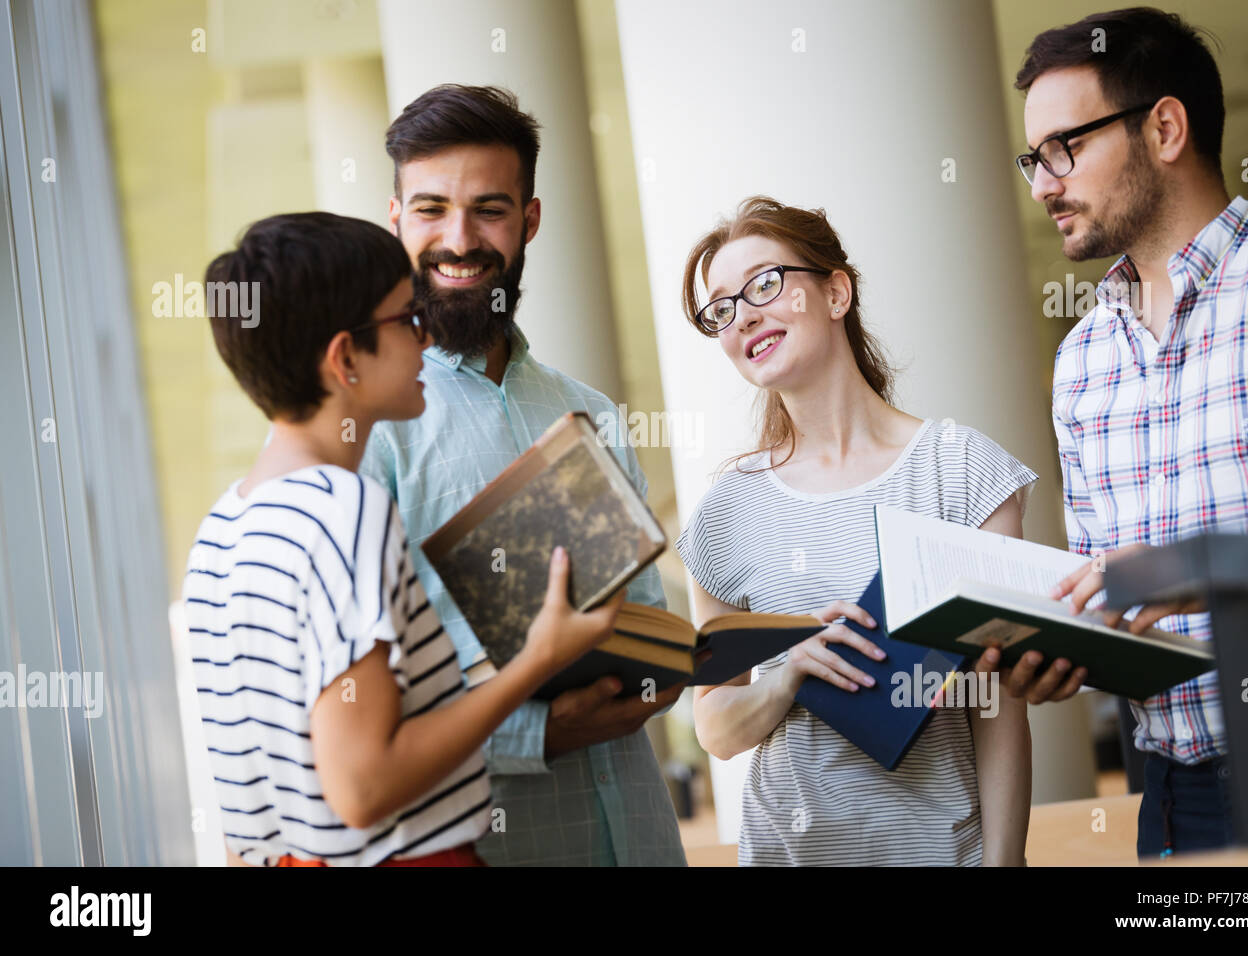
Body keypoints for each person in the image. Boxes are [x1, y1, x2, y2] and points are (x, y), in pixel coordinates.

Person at [185, 212, 622, 866]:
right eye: (406, 320)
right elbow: (363, 787)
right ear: (344, 359)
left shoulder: (221, 530)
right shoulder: (346, 512)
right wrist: (536, 658)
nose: (426, 340)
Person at [991, 7, 1248, 856]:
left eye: (1065, 149)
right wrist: (1067, 648)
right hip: (1170, 804)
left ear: (1164, 127)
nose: (1044, 183)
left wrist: (1196, 575)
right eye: (1032, 160)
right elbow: (1118, 601)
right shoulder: (1083, 358)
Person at [360, 84, 686, 866]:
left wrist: (669, 671)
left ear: (529, 221)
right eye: (432, 209)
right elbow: (368, 715)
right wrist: (539, 728)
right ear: (396, 218)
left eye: (490, 210)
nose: (459, 238)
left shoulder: (594, 413)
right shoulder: (371, 433)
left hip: (641, 839)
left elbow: (644, 623)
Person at [677, 196, 1035, 866]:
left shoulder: (961, 471)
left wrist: (1005, 861)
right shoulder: (727, 510)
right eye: (721, 308)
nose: (743, 315)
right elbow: (717, 729)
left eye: (764, 284)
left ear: (836, 291)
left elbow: (1000, 700)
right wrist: (787, 677)